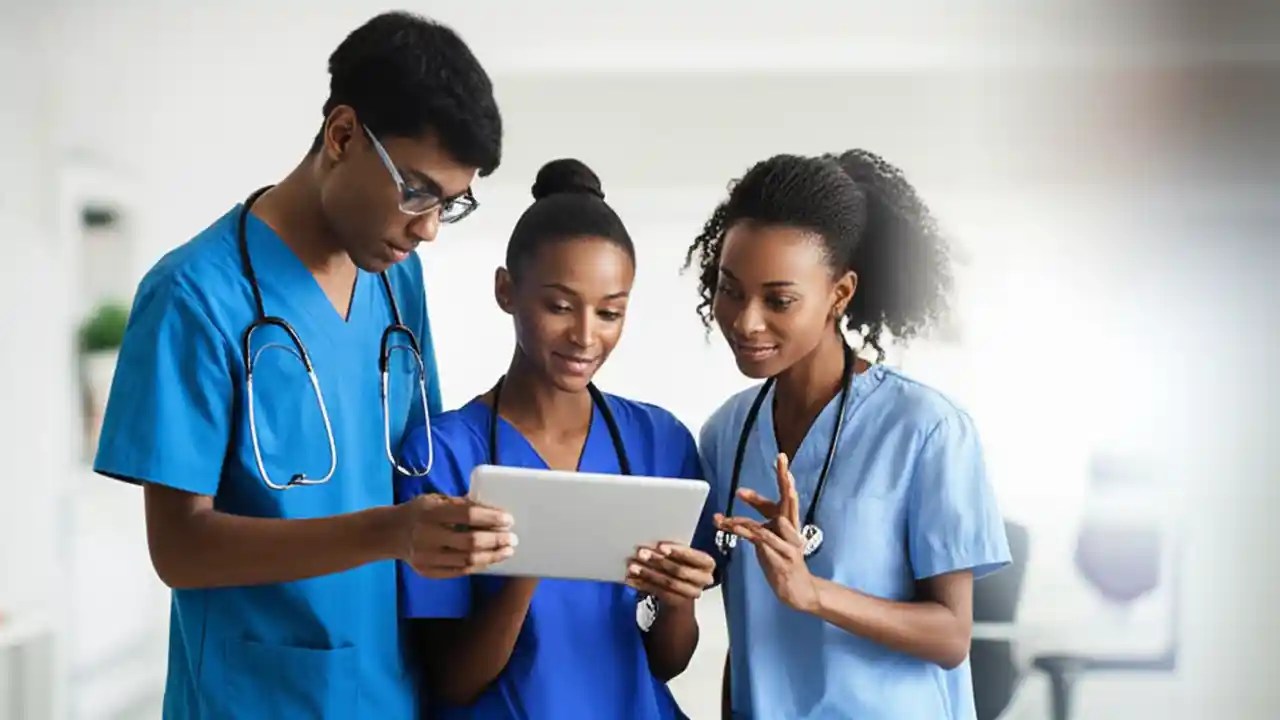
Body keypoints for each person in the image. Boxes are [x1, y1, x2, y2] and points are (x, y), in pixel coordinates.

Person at [92, 12, 516, 718]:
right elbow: (179, 548)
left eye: (450, 204)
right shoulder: (195, 296)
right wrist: (390, 532)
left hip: (391, 690)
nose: (428, 229)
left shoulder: (396, 280)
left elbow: (414, 465)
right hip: (256, 699)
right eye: (416, 191)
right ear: (342, 135)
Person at [683, 150, 1012, 719]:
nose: (745, 320)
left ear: (839, 294)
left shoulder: (927, 430)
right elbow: (751, 640)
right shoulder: (726, 435)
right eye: (730, 289)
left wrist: (812, 592)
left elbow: (951, 636)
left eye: (779, 300)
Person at [395, 159, 716, 719]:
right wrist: (532, 560)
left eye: (610, 312)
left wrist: (677, 601)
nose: (586, 336)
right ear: (506, 291)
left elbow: (667, 663)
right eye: (560, 307)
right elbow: (454, 680)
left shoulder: (659, 442)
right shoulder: (440, 456)